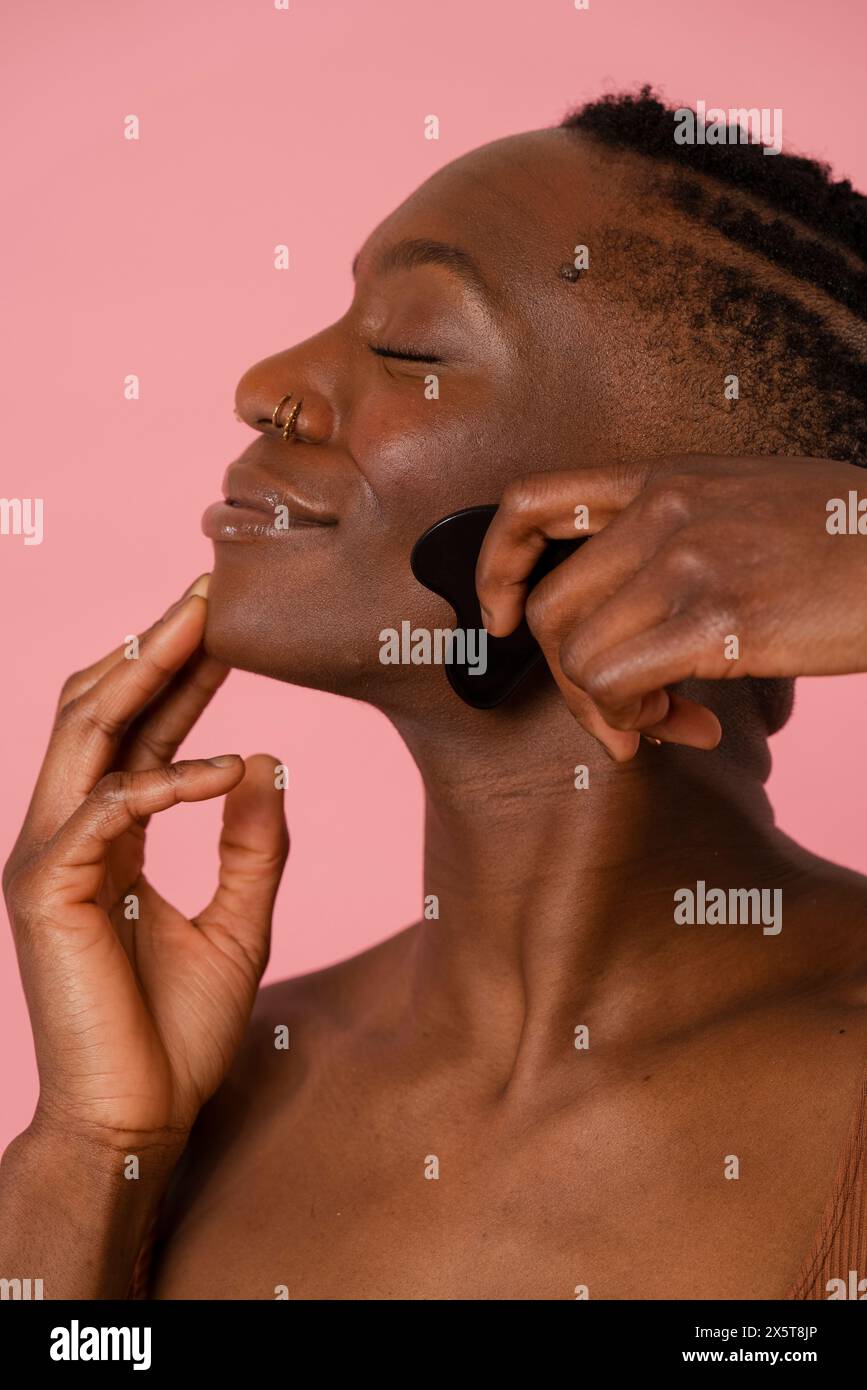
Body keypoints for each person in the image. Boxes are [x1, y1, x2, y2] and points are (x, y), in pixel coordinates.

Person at [2, 89, 867, 1300]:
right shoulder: (212, 1089)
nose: (266, 384)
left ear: (703, 511)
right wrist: (94, 1153)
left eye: (411, 345)